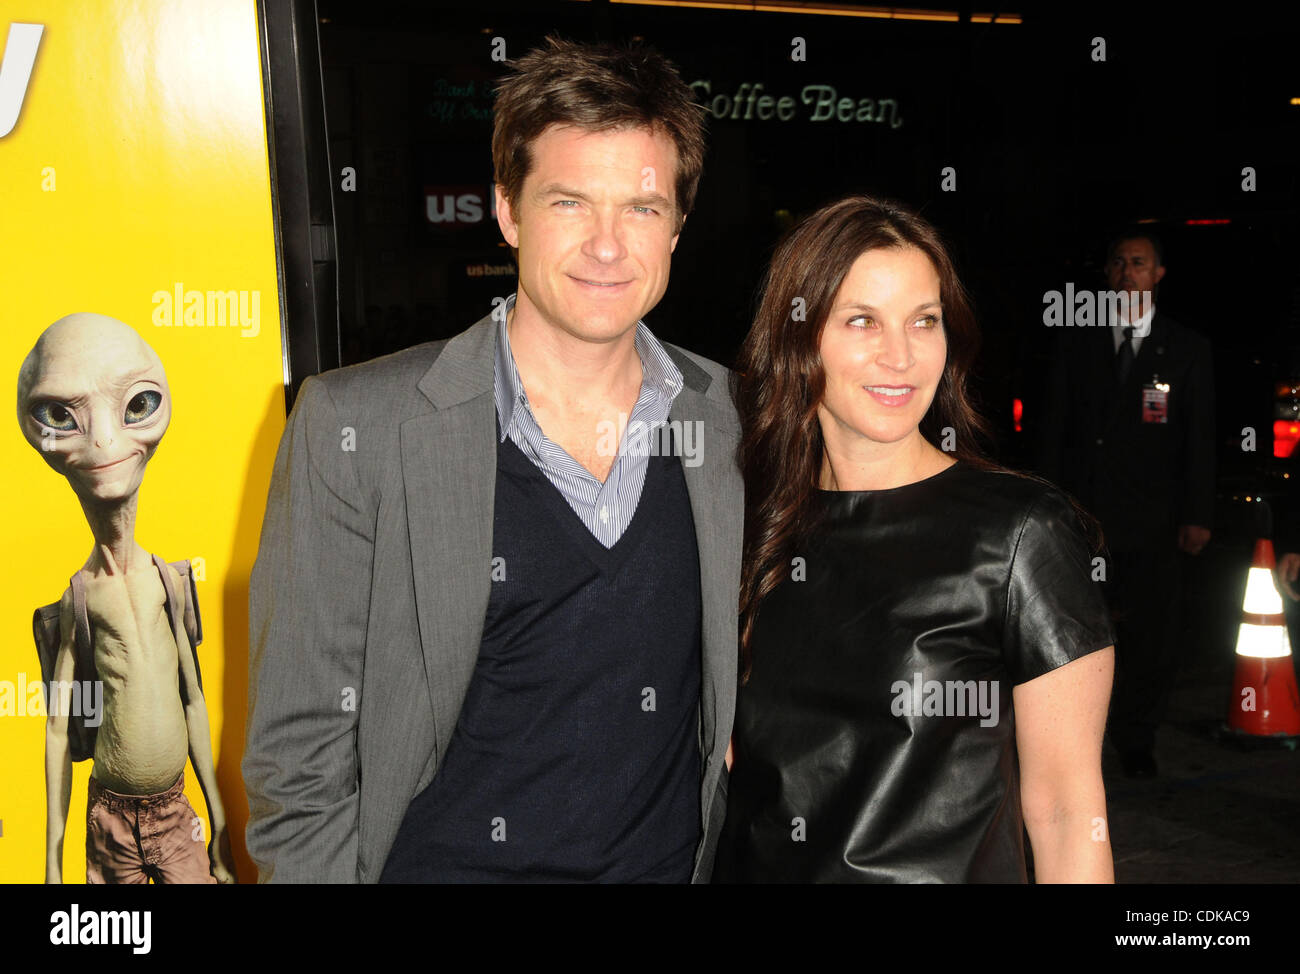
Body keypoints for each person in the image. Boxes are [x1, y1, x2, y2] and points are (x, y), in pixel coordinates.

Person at [242, 36, 741, 883]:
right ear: (508, 211)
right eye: (570, 203)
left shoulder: (734, 419)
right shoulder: (357, 425)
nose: (608, 245)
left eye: (643, 209)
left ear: (678, 227)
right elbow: (298, 758)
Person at [712, 195, 1115, 883]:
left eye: (923, 321)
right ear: (798, 335)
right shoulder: (743, 521)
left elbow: (1067, 813)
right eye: (862, 320)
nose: (900, 355)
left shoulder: (1019, 532)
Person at [19, 313, 234, 884]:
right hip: (109, 819)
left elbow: (194, 700)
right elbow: (59, 729)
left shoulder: (169, 581)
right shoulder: (79, 598)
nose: (106, 441)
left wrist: (219, 826)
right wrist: (51, 861)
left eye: (135, 405)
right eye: (63, 415)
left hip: (173, 817)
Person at [1037, 229, 1215, 778]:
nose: (1126, 272)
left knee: (1151, 635)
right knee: (1078, 632)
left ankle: (1137, 737)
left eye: (1139, 262)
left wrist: (1197, 513)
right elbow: (1052, 429)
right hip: (1083, 516)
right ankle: (1077, 739)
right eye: (1117, 262)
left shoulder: (1185, 349)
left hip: (1155, 519)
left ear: (1158, 274)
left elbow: (1199, 438)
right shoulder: (1077, 343)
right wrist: (1044, 505)